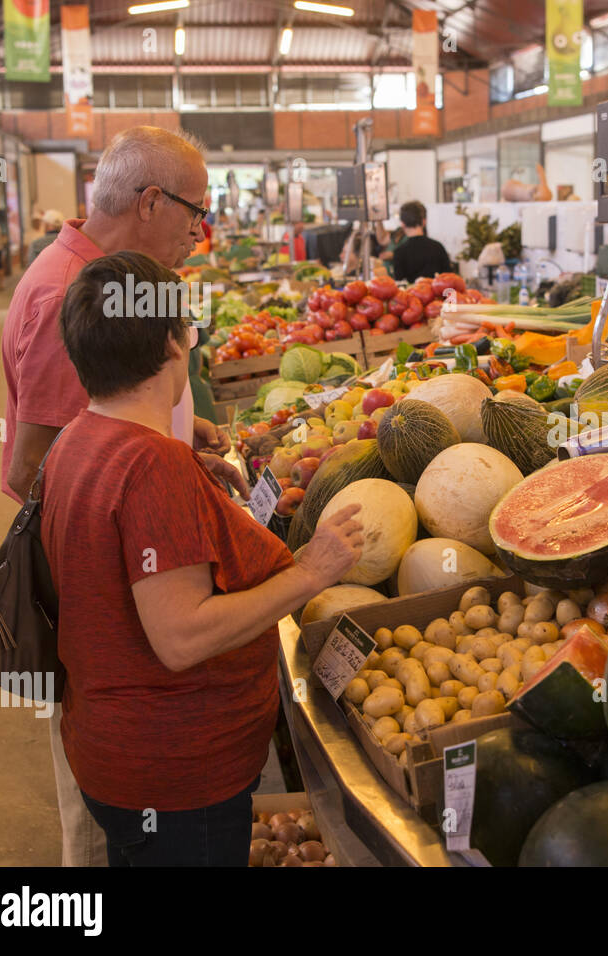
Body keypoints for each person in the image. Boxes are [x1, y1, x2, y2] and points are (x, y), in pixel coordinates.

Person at [41, 251, 364, 866]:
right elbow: (181, 637)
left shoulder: (77, 440)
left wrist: (185, 470)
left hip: (114, 756)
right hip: (177, 775)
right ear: (169, 342)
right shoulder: (150, 464)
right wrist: (312, 571)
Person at [0, 124, 244, 868]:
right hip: (111, 607)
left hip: (136, 583)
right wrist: (155, 482)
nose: (199, 234)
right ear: (148, 201)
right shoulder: (65, 293)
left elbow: (99, 411)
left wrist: (179, 426)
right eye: (193, 213)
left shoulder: (104, 279)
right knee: (115, 819)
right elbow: (35, 468)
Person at [390, 200, 451, 282]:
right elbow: (450, 280)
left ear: (402, 224)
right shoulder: (438, 247)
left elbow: (400, 286)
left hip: (410, 294)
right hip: (438, 294)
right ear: (424, 221)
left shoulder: (399, 252)